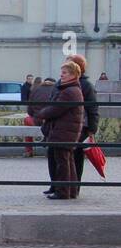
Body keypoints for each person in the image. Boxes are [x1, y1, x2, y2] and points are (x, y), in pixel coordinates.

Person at [34, 61, 85, 199]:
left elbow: (56, 109)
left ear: (73, 75)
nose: (61, 75)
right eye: (61, 72)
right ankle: (71, 191)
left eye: (65, 73)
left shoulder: (69, 91)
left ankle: (63, 192)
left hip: (64, 131)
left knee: (62, 161)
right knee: (68, 161)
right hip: (66, 130)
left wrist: (41, 113)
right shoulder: (72, 89)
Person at [68, 53, 100, 184]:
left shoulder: (86, 85)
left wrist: (92, 128)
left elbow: (92, 108)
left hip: (81, 126)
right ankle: (59, 185)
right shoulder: (68, 82)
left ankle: (75, 186)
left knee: (76, 158)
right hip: (68, 124)